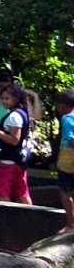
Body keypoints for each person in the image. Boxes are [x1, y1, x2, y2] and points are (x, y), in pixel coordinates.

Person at [0, 72, 43, 168]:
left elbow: (37, 116)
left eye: (2, 86)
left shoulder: (19, 99)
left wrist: (35, 96)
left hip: (10, 147)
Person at [0, 83, 34, 205]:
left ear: (15, 99)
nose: (4, 101)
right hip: (20, 160)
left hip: (9, 160)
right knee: (21, 193)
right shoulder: (23, 113)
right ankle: (31, 219)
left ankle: (7, 220)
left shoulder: (14, 116)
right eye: (2, 98)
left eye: (7, 98)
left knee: (0, 193)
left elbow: (15, 140)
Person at [54, 90, 74, 233]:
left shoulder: (66, 118)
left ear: (63, 106)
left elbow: (71, 139)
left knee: (64, 191)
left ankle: (71, 224)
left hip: (68, 157)